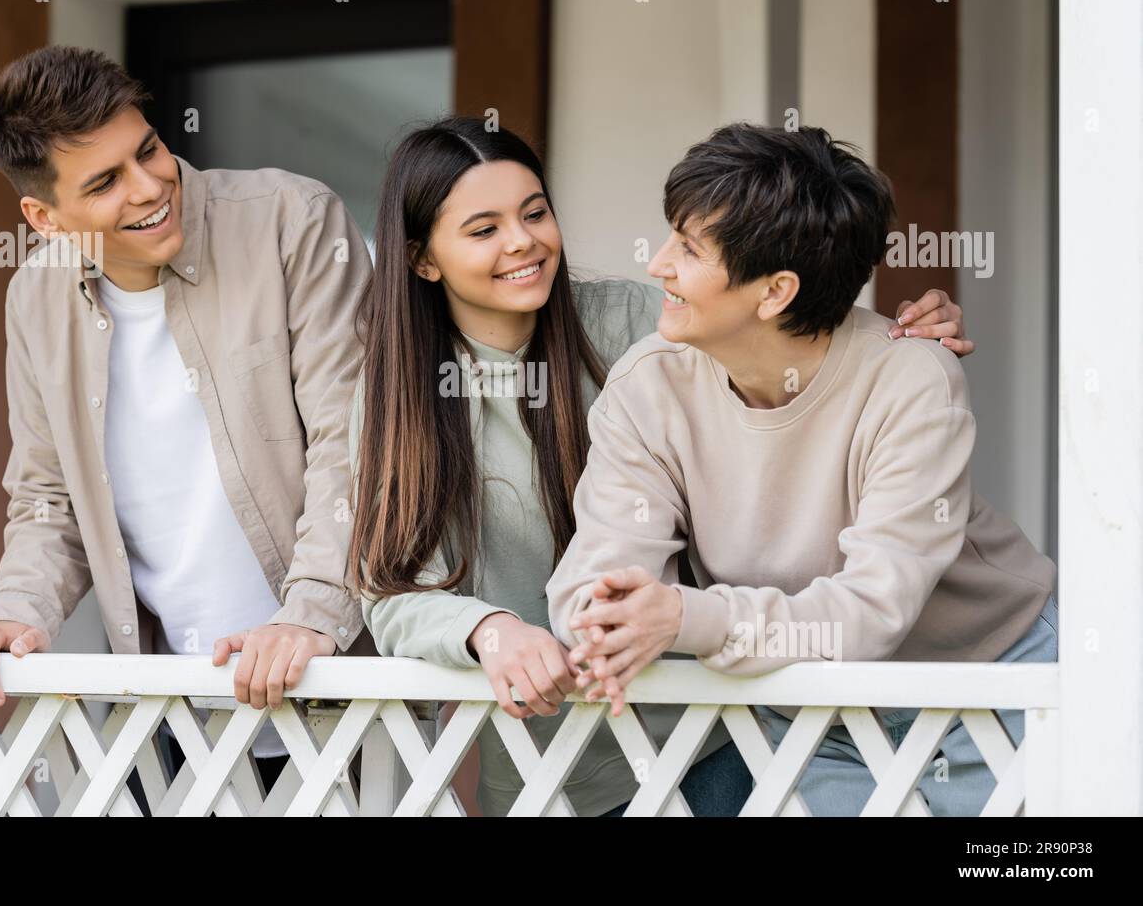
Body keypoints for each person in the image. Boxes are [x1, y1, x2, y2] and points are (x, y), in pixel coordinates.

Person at [352, 116, 973, 816]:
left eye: (535, 213)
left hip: (709, 717)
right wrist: (492, 629)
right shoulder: (400, 399)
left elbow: (776, 313)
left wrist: (893, 337)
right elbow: (392, 587)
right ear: (422, 259)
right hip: (547, 737)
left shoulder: (639, 326)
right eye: (483, 229)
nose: (523, 241)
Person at [548, 123, 1056, 816]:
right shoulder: (647, 388)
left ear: (775, 291)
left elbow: (871, 610)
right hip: (814, 712)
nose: (658, 263)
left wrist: (686, 618)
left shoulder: (910, 380)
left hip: (994, 681)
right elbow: (596, 574)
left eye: (688, 248)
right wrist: (604, 618)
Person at [0, 46, 373, 792]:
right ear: (43, 217)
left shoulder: (291, 221)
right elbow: (48, 497)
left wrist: (310, 617)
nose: (150, 187)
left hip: (333, 691)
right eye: (106, 182)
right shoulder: (34, 300)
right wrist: (15, 609)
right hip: (162, 712)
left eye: (149, 150)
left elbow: (355, 444)